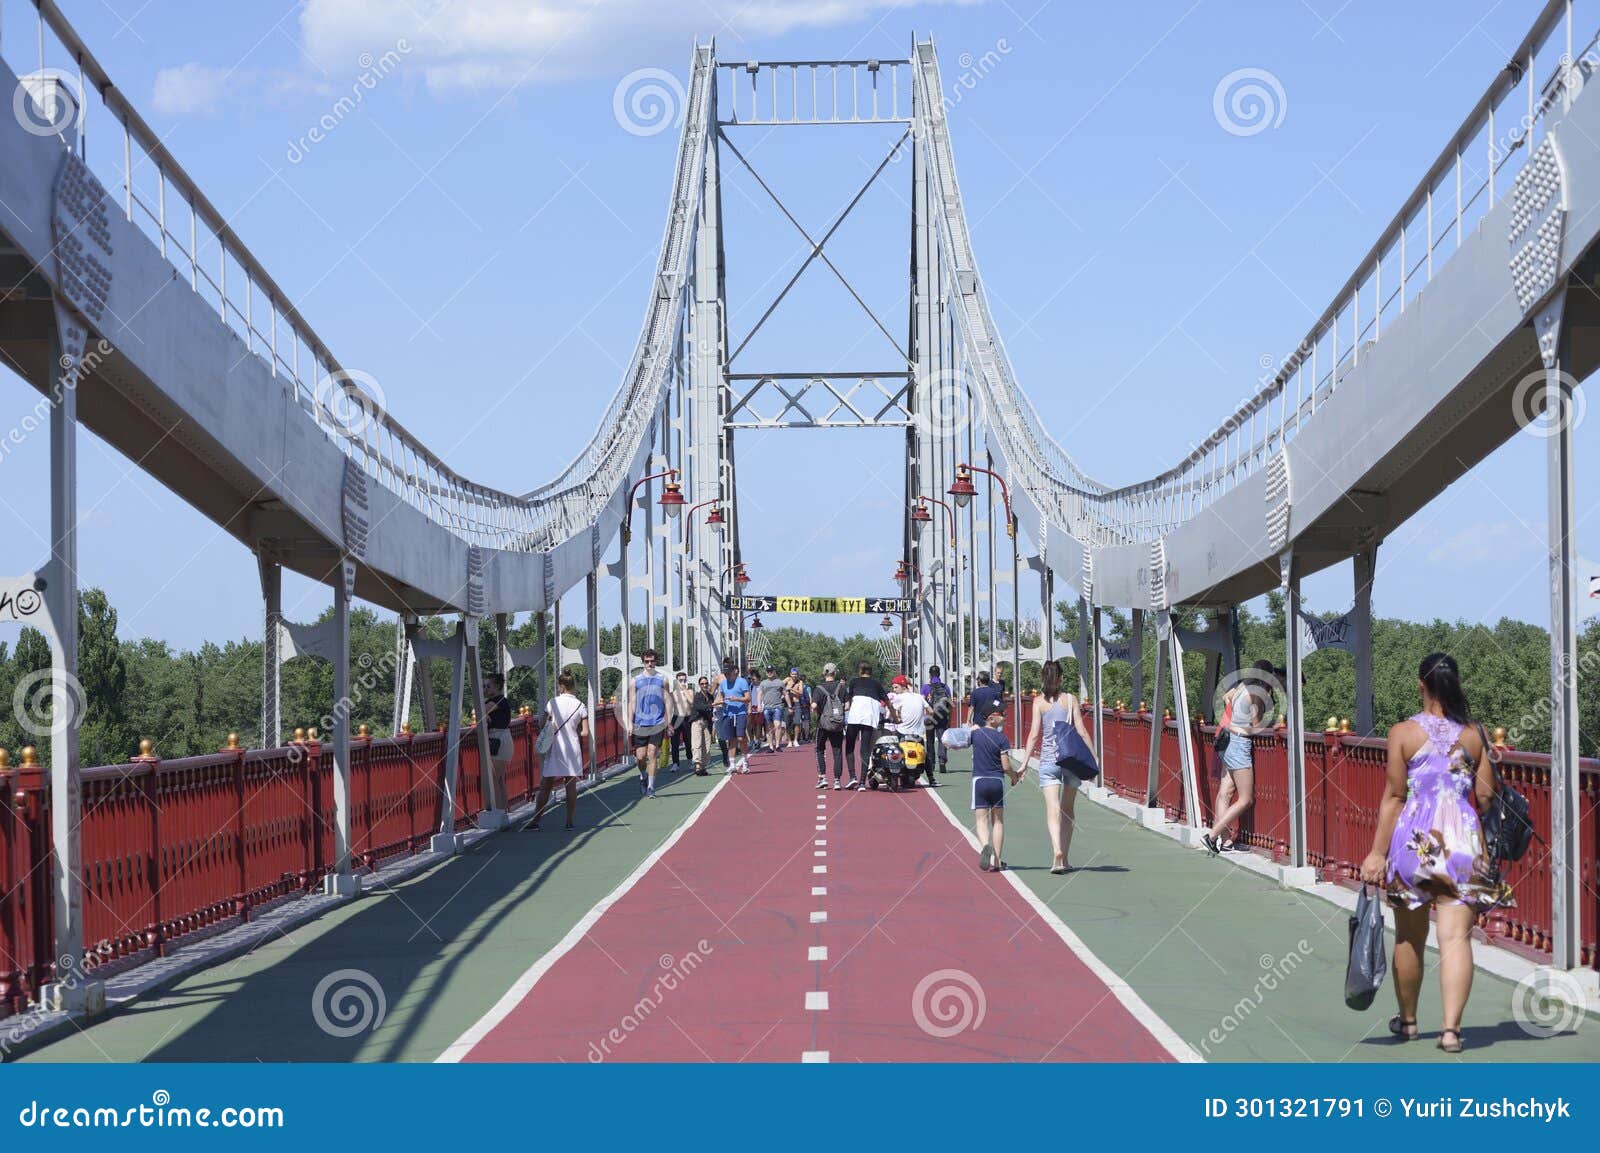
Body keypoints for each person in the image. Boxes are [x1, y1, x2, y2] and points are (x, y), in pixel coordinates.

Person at [1359, 653, 1501, 1054]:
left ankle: (1408, 1023)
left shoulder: (1402, 732)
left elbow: (1394, 796)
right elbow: (1487, 797)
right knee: (1456, 939)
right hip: (1463, 843)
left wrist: (1376, 853)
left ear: (1421, 683)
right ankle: (1452, 1030)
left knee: (1408, 936)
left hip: (1415, 841)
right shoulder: (1475, 734)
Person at [1020, 659, 1094, 873]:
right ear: (1061, 678)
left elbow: (1034, 735)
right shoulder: (1070, 700)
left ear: (1043, 679)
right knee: (1068, 810)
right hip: (1070, 760)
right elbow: (1081, 730)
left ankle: (1056, 853)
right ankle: (1066, 858)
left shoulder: (1038, 703)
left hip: (1049, 760)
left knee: (1052, 809)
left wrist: (1024, 763)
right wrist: (1093, 756)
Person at [1202, 661, 1276, 855]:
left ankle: (1225, 842)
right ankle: (1212, 836)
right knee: (1246, 799)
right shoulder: (1257, 694)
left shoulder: (1241, 686)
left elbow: (1226, 697)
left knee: (1225, 792)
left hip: (1228, 741)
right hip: (1240, 744)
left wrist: (1233, 720)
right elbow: (1256, 725)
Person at [528, 670, 587, 831]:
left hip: (555, 747)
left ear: (561, 686)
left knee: (546, 784)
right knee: (571, 785)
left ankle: (536, 820)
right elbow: (585, 732)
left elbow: (542, 724)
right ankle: (569, 821)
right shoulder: (581, 706)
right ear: (573, 686)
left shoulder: (552, 703)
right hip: (572, 748)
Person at [969, 704, 1022, 872]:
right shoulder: (1002, 739)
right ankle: (997, 861)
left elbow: (956, 741)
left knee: (980, 820)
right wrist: (1015, 777)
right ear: (991, 718)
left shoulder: (975, 735)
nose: (1005, 718)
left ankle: (985, 845)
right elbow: (1005, 766)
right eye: (1002, 715)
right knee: (998, 821)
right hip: (997, 782)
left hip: (979, 781)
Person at [626, 648, 673, 797]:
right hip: (640, 723)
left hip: (657, 722)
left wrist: (669, 721)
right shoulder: (635, 680)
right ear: (643, 662)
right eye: (647, 661)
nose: (650, 663)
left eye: (652, 661)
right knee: (640, 757)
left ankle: (651, 787)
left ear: (656, 661)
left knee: (652, 754)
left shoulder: (662, 679)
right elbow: (632, 702)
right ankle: (643, 776)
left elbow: (667, 700)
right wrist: (629, 722)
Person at [842, 660, 887, 789]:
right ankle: (862, 782)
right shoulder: (877, 684)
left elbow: (849, 702)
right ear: (871, 672)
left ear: (860, 671)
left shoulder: (854, 682)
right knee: (865, 750)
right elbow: (887, 701)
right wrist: (895, 717)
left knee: (849, 748)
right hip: (868, 719)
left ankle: (852, 777)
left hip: (854, 718)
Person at [887, 674, 933, 786]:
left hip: (903, 733)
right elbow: (931, 711)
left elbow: (891, 714)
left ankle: (890, 777)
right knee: (925, 755)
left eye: (896, 687)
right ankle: (931, 778)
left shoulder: (899, 698)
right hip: (918, 734)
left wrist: (894, 719)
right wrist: (924, 719)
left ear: (903, 686)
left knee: (891, 751)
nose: (894, 690)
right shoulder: (919, 697)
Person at [811, 662, 849, 789]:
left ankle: (822, 777)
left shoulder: (818, 688)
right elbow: (847, 705)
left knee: (819, 749)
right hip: (837, 724)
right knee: (837, 751)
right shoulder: (841, 687)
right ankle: (837, 780)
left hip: (823, 723)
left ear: (824, 673)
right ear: (835, 673)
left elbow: (814, 705)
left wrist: (820, 713)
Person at [714, 658, 752, 773]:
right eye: (725, 673)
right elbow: (721, 697)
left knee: (740, 737)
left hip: (740, 712)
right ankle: (732, 764)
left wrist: (736, 699)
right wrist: (719, 702)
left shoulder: (742, 682)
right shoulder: (723, 683)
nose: (727, 675)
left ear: (733, 672)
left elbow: (748, 698)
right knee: (731, 739)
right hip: (727, 713)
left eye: (728, 673)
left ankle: (745, 761)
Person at [483, 673, 514, 806]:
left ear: (497, 686)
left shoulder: (497, 701)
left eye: (488, 686)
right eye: (483, 686)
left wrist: (485, 717)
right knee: (499, 780)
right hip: (503, 739)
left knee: (494, 779)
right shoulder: (500, 701)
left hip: (497, 740)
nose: (485, 689)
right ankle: (503, 812)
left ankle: (497, 813)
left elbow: (478, 712)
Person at [922, 664, 954, 774]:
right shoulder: (945, 687)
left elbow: (922, 703)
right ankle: (942, 760)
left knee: (930, 741)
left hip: (930, 717)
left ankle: (931, 763)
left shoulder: (926, 687)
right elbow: (950, 703)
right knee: (942, 739)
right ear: (939, 674)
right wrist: (949, 718)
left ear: (930, 675)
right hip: (942, 717)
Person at [667, 671, 696, 772]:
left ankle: (690, 760)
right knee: (674, 742)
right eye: (681, 680)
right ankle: (675, 763)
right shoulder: (672, 694)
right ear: (677, 681)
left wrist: (685, 690)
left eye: (684, 680)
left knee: (688, 741)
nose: (683, 682)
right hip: (676, 718)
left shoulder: (690, 691)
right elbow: (669, 709)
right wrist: (669, 724)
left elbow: (692, 702)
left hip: (687, 718)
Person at [689, 675, 716, 775]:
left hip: (706, 722)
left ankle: (703, 767)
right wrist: (712, 705)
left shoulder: (710, 696)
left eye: (706, 683)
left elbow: (711, 710)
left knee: (707, 745)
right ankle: (697, 766)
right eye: (702, 684)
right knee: (697, 744)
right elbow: (701, 707)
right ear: (699, 685)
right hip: (697, 722)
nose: (704, 685)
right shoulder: (697, 696)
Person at [758, 665, 787, 753]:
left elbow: (785, 694)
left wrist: (789, 706)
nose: (769, 673)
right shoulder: (763, 683)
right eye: (768, 671)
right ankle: (771, 746)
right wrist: (759, 705)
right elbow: (759, 694)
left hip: (777, 706)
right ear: (766, 673)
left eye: (771, 671)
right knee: (769, 726)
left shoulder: (780, 682)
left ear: (774, 672)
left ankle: (777, 745)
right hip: (767, 707)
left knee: (777, 725)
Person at [969, 669, 1003, 735]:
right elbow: (999, 705)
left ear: (979, 680)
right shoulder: (993, 692)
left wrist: (968, 720)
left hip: (978, 723)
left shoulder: (975, 693)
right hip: (990, 722)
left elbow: (971, 707)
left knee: (978, 741)